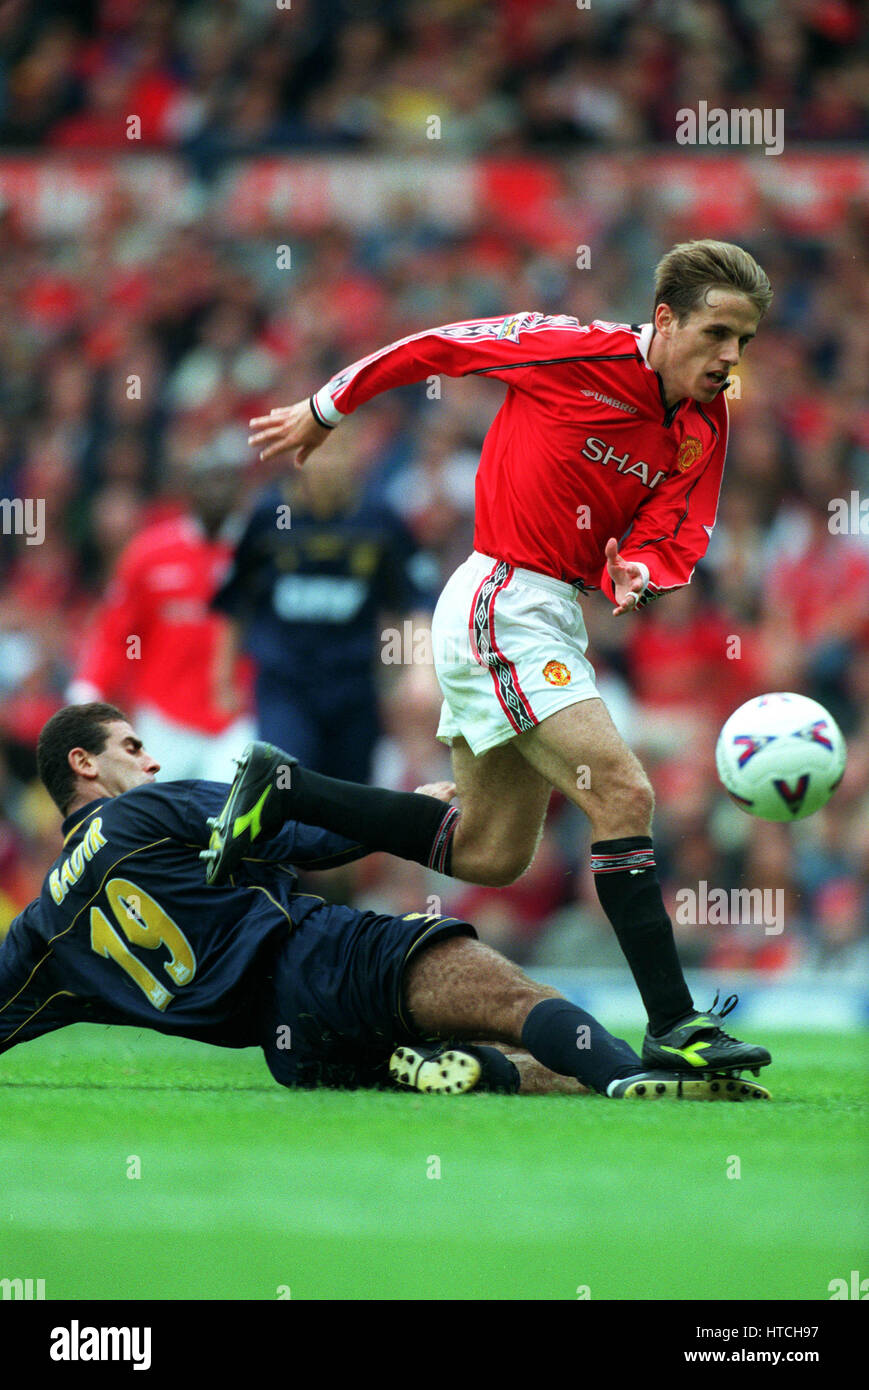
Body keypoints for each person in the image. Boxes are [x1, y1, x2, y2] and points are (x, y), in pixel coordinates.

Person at [241, 238, 775, 1076]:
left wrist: (640, 568)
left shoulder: (705, 422)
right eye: (715, 334)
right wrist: (325, 407)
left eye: (742, 342)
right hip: (504, 595)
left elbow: (677, 526)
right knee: (624, 791)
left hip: (554, 609)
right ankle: (674, 1024)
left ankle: (286, 790)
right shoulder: (573, 347)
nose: (728, 358)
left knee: (491, 852)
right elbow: (435, 347)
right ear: (665, 319)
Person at [0, 703, 769, 1101]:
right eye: (131, 747)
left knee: (505, 1060)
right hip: (315, 958)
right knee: (509, 995)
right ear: (83, 764)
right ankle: (632, 1081)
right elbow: (288, 823)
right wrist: (403, 810)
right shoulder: (145, 812)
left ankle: (462, 1070)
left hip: (292, 1052)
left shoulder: (45, 930)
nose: (152, 756)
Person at [211, 423, 437, 783]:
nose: (329, 463)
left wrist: (421, 670)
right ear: (300, 455)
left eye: (339, 450)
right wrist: (222, 678)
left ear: (356, 454)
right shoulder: (267, 517)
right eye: (320, 451)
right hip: (285, 685)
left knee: (347, 801)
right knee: (286, 785)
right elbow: (236, 602)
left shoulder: (381, 520)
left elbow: (414, 600)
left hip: (354, 688)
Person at [67, 446, 255, 781]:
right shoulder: (150, 553)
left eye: (226, 480)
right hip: (164, 721)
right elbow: (116, 632)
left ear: (240, 488)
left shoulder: (258, 555)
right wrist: (89, 690)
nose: (217, 490)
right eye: (208, 480)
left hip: (237, 720)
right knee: (159, 824)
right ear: (190, 488)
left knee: (233, 824)